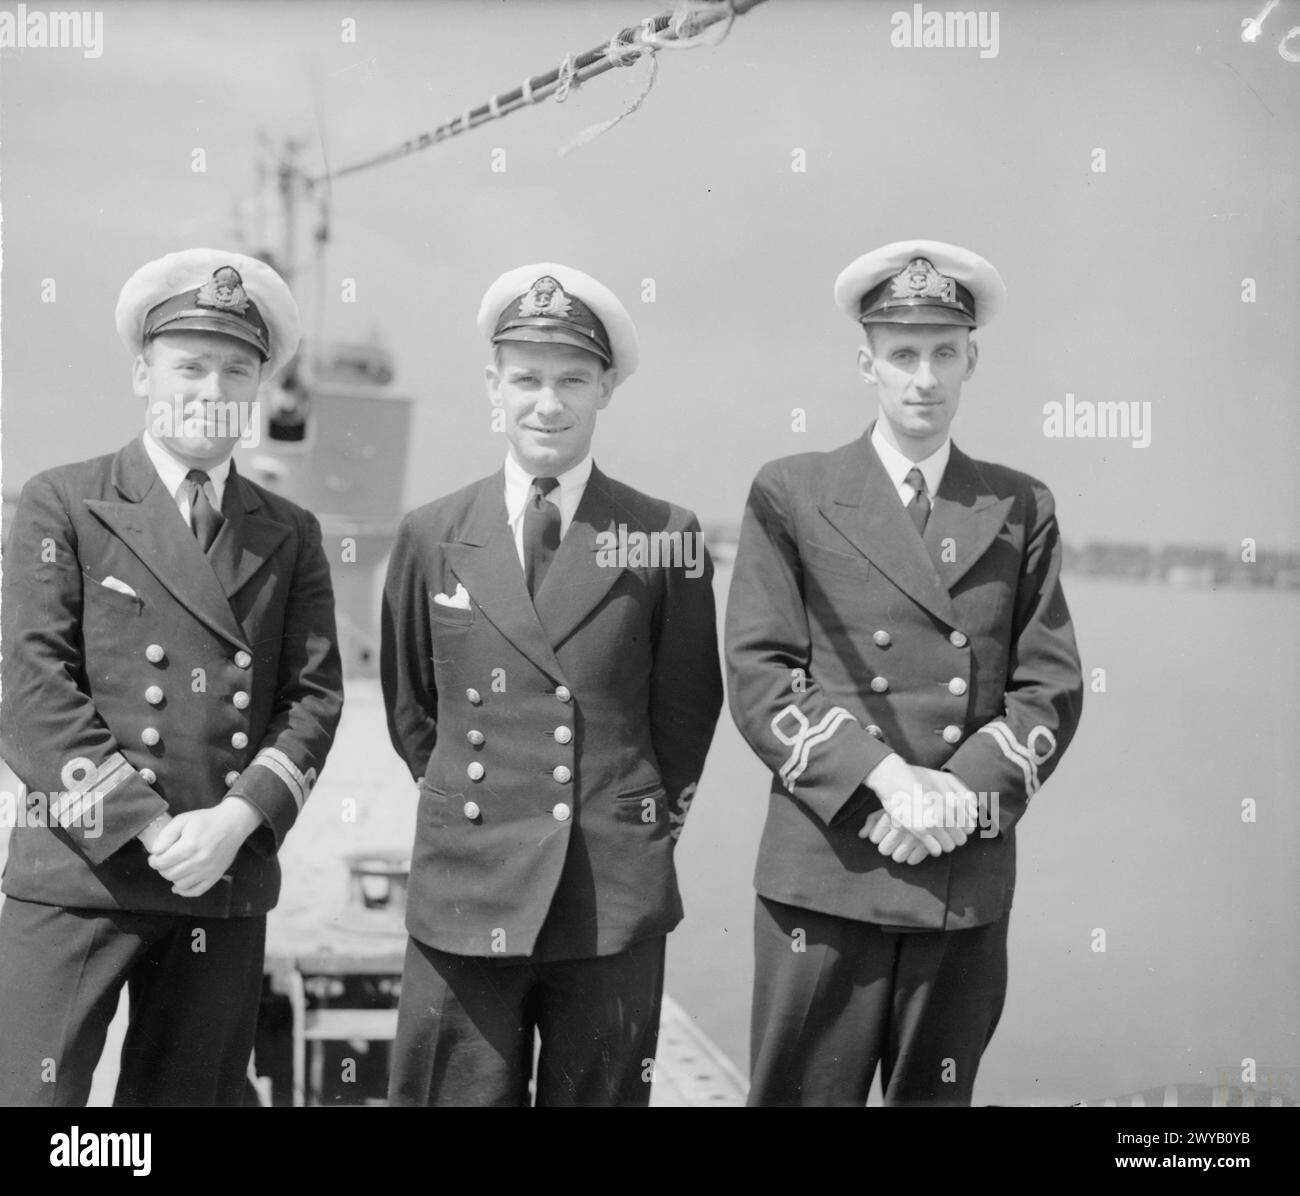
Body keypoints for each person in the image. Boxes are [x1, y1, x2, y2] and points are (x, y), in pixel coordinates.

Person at [725, 239, 1084, 1106]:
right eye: (902, 355)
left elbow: (1050, 687)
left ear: (971, 360)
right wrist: (888, 783)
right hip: (829, 872)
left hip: (960, 877)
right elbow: (762, 671)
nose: (923, 378)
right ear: (867, 363)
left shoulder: (1019, 505)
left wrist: (951, 798)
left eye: (943, 354)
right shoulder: (793, 492)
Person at [0, 248, 344, 1106]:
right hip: (81, 870)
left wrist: (234, 822)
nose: (212, 388)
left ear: (259, 388)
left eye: (237, 369)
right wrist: (147, 829)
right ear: (142, 373)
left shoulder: (291, 531)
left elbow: (311, 697)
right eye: (189, 365)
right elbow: (31, 688)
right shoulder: (65, 503)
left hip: (218, 881)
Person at [381, 263, 722, 1107]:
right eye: (526, 379)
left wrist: (630, 828)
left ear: (606, 389)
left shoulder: (661, 535)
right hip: (468, 880)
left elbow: (685, 714)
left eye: (573, 379)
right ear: (493, 387)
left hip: (607, 894)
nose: (548, 402)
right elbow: (411, 707)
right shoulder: (432, 534)